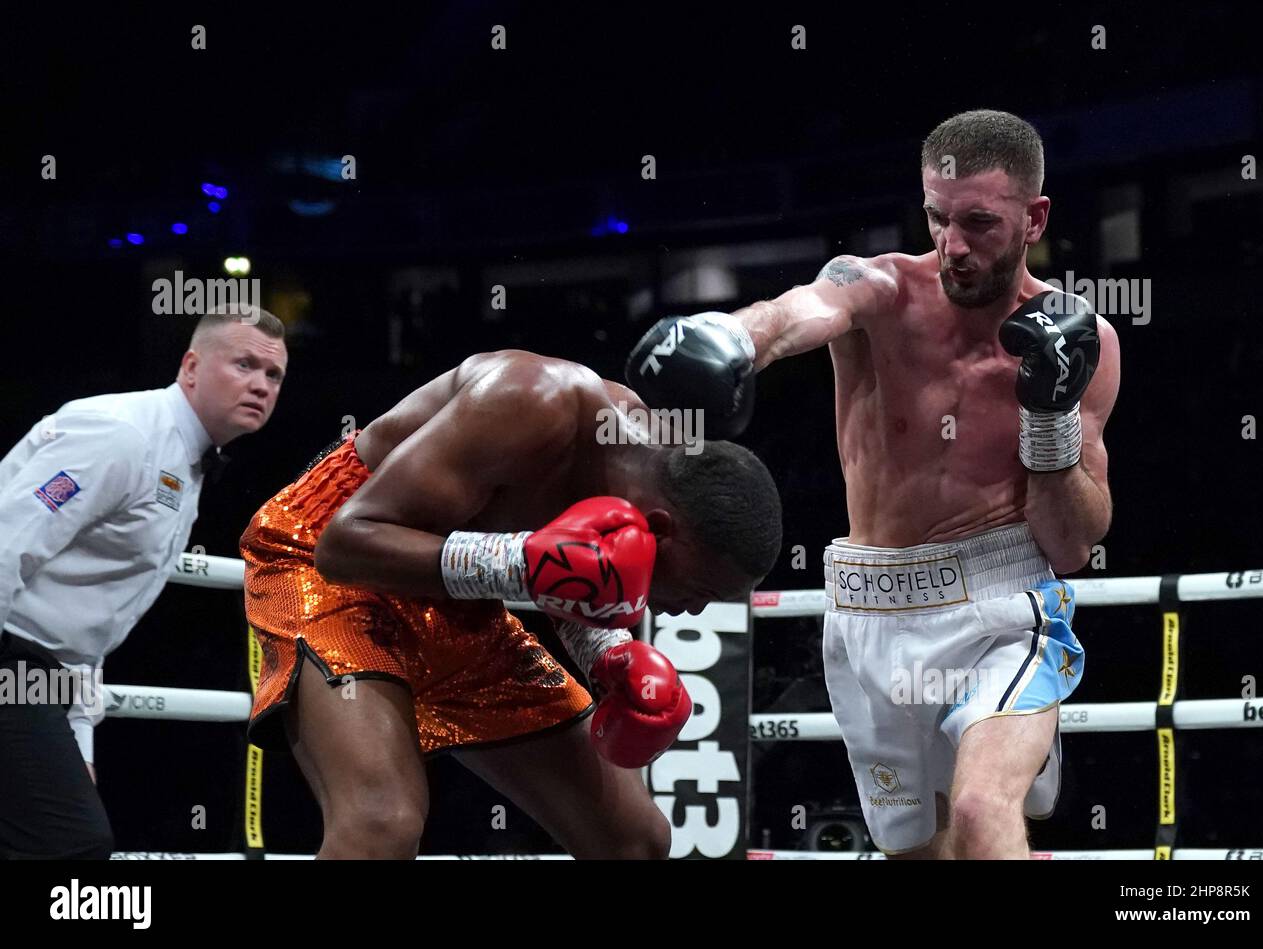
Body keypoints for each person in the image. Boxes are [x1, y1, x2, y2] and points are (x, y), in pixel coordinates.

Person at [626, 109, 1121, 859]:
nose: (952, 246)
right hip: (869, 610)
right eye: (937, 218)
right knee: (921, 851)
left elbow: (1073, 542)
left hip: (1001, 603)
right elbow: (798, 311)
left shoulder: (1080, 333)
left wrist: (1048, 417)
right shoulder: (882, 291)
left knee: (986, 814)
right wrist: (732, 338)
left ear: (1034, 218)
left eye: (979, 223)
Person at [240, 348, 783, 859]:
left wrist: (604, 652)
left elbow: (563, 569)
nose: (690, 611)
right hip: (324, 561)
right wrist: (523, 563)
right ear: (661, 530)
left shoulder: (641, 479)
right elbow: (346, 543)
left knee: (635, 841)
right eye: (700, 592)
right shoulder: (532, 401)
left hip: (454, 598)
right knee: (381, 825)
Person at [0, 305, 288, 859]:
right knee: (70, 845)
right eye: (244, 365)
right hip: (10, 659)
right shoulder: (122, 435)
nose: (260, 385)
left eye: (273, 375)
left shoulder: (186, 463)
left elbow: (89, 623)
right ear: (191, 368)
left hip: (46, 677)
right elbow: (10, 541)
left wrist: (79, 730)